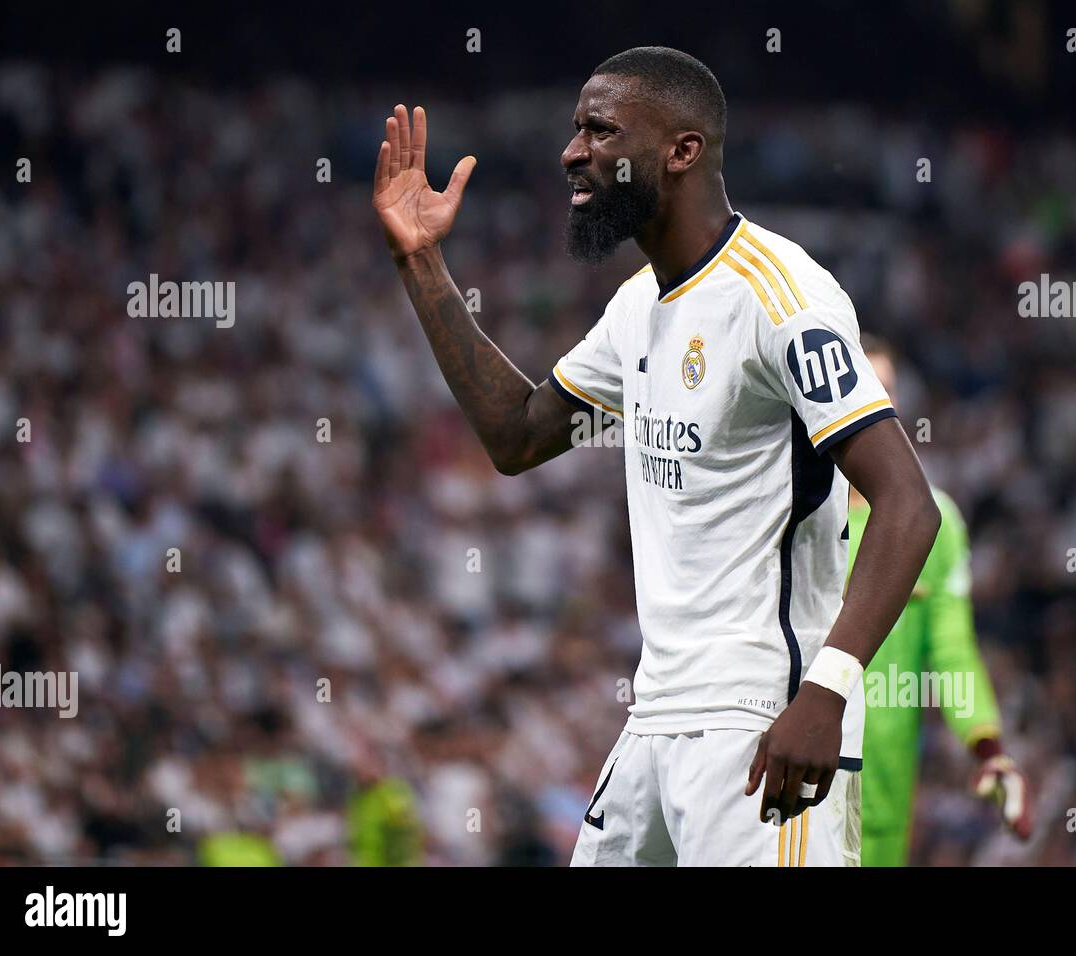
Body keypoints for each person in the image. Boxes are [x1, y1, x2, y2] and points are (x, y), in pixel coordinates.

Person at [372, 46, 940, 866]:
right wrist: (418, 260)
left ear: (681, 151)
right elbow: (519, 435)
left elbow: (906, 504)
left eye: (600, 130)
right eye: (575, 130)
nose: (573, 152)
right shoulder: (639, 305)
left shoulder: (782, 295)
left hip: (765, 718)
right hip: (656, 717)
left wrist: (826, 691)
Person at [848, 335, 1033, 865]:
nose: (878, 402)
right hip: (785, 779)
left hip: (882, 795)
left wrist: (989, 750)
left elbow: (953, 654)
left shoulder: (936, 522)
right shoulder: (795, 513)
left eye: (889, 390)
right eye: (862, 385)